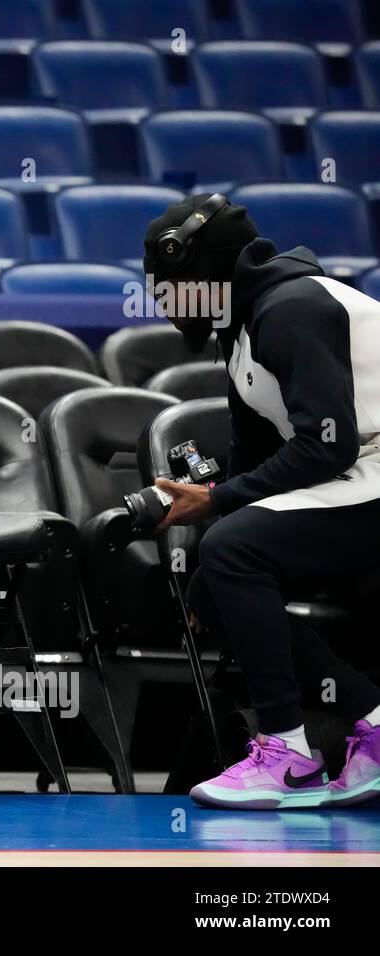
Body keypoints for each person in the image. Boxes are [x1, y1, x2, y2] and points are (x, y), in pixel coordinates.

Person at [141, 194, 380, 810]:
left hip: (365, 467)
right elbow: (254, 462)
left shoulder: (292, 308)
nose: (163, 305)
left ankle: (290, 756)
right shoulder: (245, 327)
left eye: (169, 288)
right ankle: (371, 722)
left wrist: (217, 502)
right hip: (359, 474)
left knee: (233, 547)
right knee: (223, 569)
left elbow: (325, 447)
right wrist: (206, 569)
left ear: (204, 273)